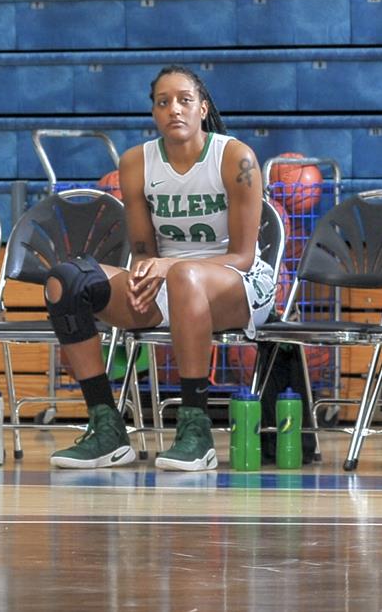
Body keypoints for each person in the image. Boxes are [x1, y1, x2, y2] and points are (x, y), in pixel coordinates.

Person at [45, 67, 275, 473]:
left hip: (239, 283)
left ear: (203, 108)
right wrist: (142, 278)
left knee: (185, 276)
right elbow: (143, 251)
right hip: (171, 282)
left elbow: (242, 255)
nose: (174, 109)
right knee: (67, 281)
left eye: (185, 100)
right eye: (163, 102)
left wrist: (170, 266)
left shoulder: (235, 157)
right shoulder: (136, 163)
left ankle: (196, 431)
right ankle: (106, 427)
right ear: (154, 112)